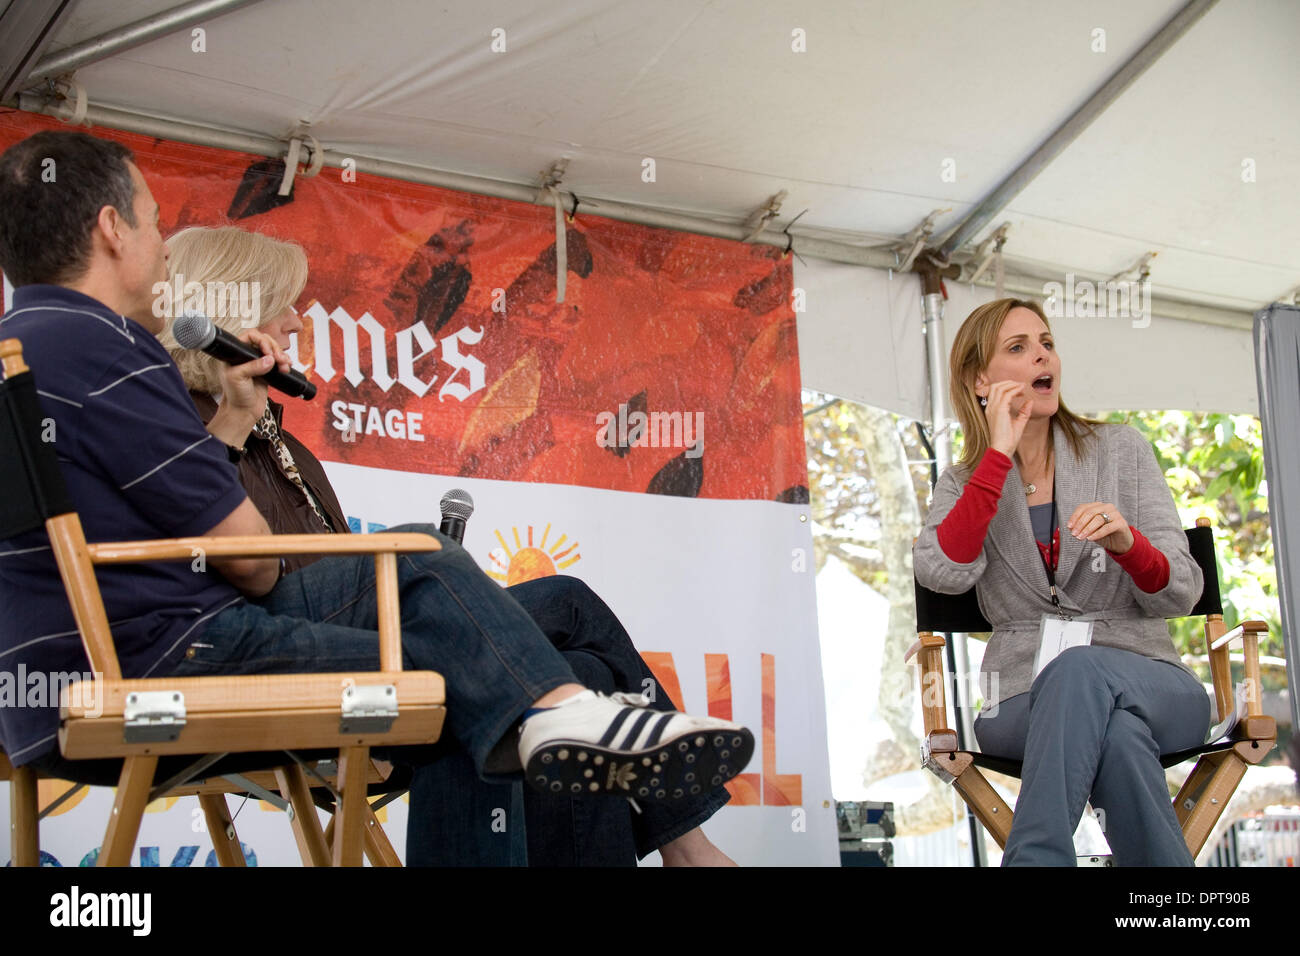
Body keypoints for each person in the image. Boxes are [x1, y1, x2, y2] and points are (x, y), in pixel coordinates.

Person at [0, 131, 754, 867]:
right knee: (434, 581)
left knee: (509, 646)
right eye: (156, 221)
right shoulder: (109, 349)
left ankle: (567, 717)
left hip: (51, 687)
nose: (163, 245)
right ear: (110, 229)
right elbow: (253, 567)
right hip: (169, 662)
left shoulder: (28, 348)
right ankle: (565, 717)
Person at [157, 224, 737, 865]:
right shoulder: (179, 422)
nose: (297, 322)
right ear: (231, 317)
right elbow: (227, 568)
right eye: (281, 303)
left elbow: (328, 568)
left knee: (586, 676)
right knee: (555, 605)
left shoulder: (279, 439)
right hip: (270, 655)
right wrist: (234, 422)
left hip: (348, 638)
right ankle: (689, 845)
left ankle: (663, 819)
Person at [912, 297, 1210, 866]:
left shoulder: (1121, 450)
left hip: (1152, 683)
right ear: (982, 381)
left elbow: (1182, 591)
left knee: (1084, 675)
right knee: (1118, 740)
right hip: (1022, 700)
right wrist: (996, 454)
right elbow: (942, 572)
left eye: (1045, 343)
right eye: (1018, 348)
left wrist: (1128, 544)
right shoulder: (963, 482)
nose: (1042, 356)